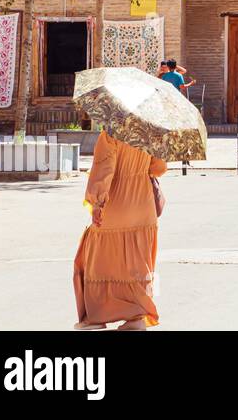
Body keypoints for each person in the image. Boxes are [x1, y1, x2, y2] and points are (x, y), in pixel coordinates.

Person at [73, 130, 167, 330]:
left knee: (98, 259)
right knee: (137, 262)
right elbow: (159, 167)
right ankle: (136, 318)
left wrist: (96, 203)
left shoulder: (111, 134)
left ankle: (96, 317)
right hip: (143, 204)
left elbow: (104, 170)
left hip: (117, 203)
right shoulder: (151, 131)